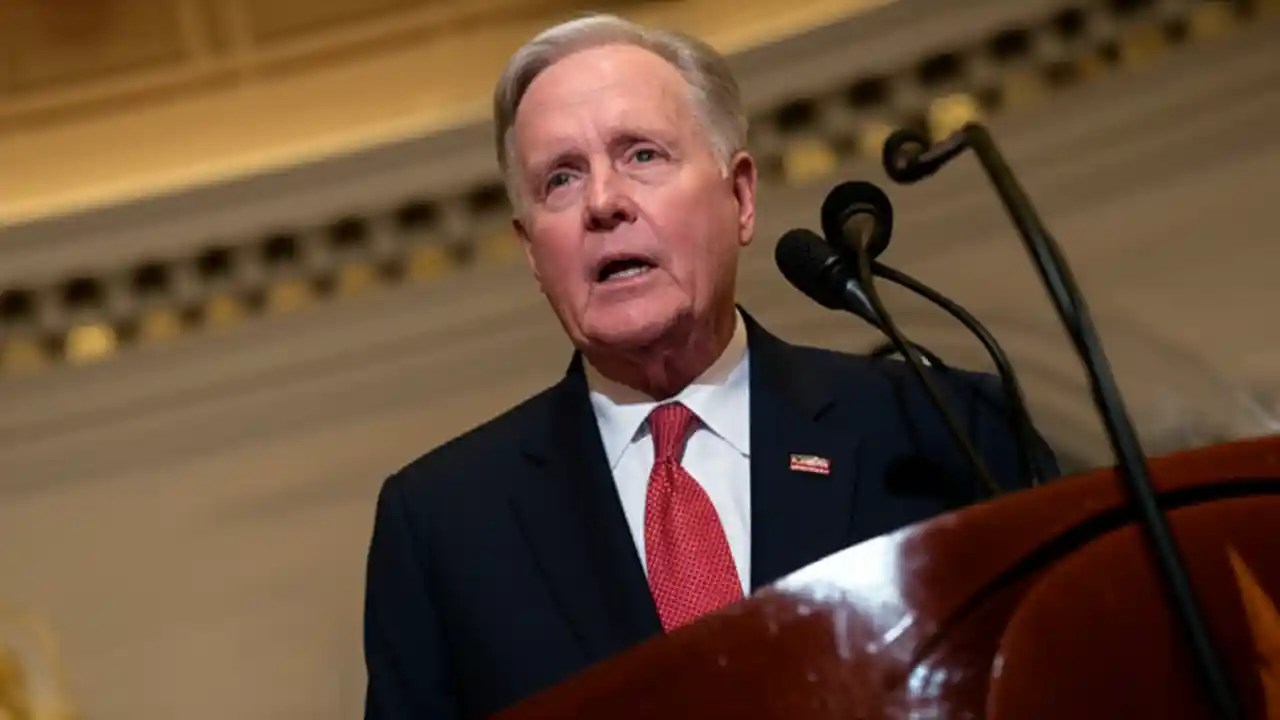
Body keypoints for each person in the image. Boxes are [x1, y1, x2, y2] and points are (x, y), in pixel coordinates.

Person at [363, 14, 1056, 720]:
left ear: (742, 196)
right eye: (562, 179)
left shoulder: (935, 427)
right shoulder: (444, 527)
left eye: (641, 155)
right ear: (532, 252)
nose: (603, 203)